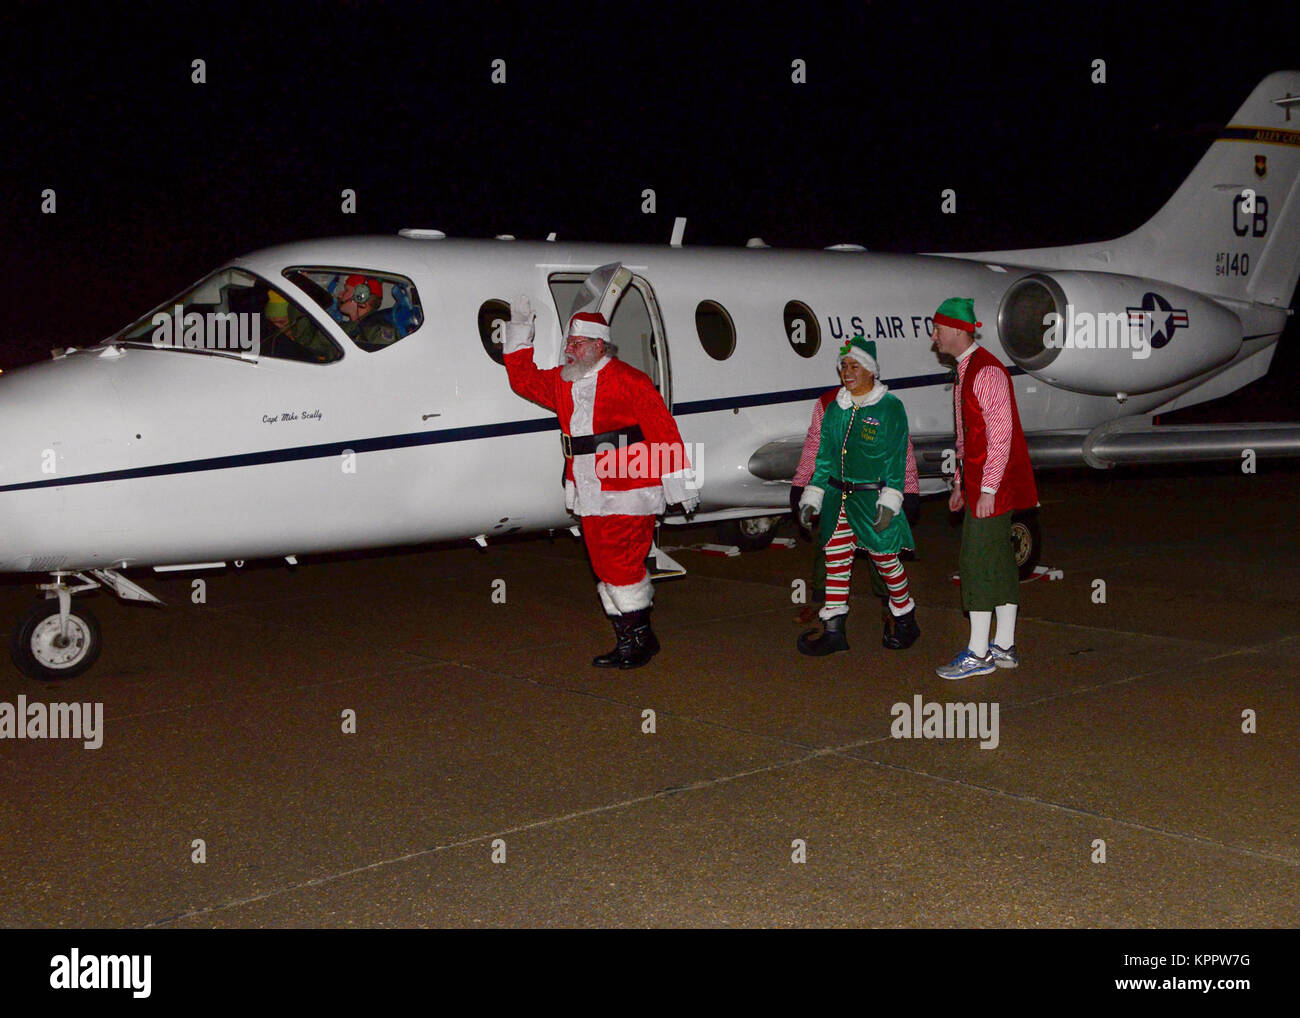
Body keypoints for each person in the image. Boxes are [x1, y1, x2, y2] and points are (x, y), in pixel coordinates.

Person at [503, 295, 699, 668]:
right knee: (604, 565)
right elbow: (522, 380)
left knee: (622, 565)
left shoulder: (630, 381)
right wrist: (519, 331)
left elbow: (663, 431)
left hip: (630, 490)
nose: (569, 350)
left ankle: (640, 640)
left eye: (577, 344)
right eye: (568, 344)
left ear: (598, 345)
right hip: (589, 490)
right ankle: (633, 637)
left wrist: (679, 485)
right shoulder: (563, 382)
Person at [929, 298, 1039, 679]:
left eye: (938, 329)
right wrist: (960, 482)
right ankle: (1005, 646)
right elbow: (967, 436)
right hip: (981, 484)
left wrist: (987, 489)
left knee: (976, 564)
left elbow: (1000, 434)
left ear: (958, 330)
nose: (934, 336)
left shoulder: (986, 371)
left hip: (994, 488)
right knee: (1000, 562)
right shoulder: (966, 369)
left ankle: (979, 654)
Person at [796, 337, 918, 655]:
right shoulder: (836, 408)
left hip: (871, 501)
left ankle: (906, 619)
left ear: (871, 370)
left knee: (886, 561)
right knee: (836, 563)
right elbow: (824, 457)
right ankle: (834, 631)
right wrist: (813, 495)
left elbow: (896, 458)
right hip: (838, 500)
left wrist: (891, 500)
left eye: (855, 366)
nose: (848, 373)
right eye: (844, 366)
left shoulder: (890, 407)